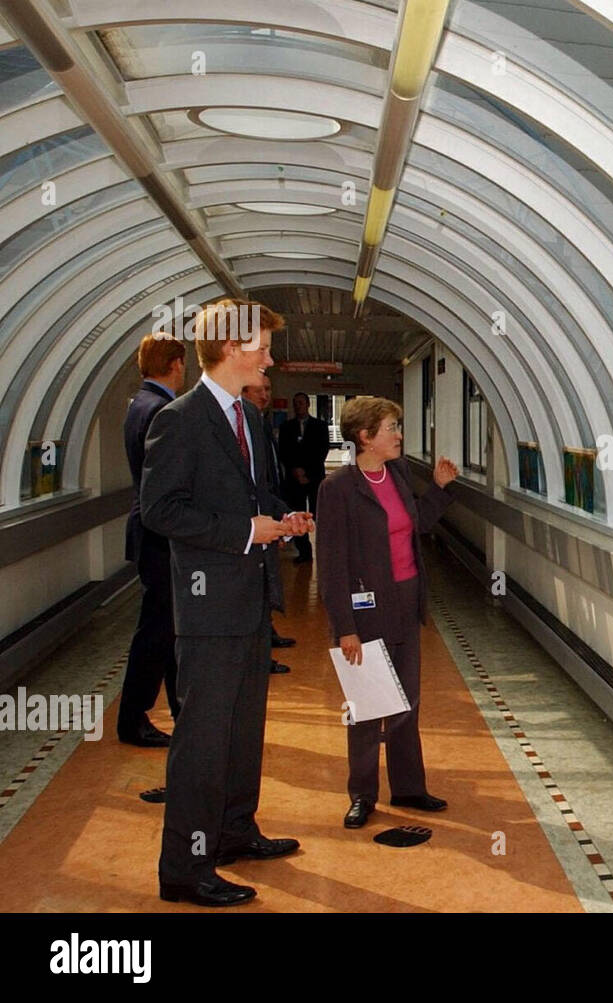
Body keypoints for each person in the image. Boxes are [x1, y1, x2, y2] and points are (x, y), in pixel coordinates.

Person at [141, 297, 312, 907]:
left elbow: (253, 493)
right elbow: (160, 510)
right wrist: (245, 531)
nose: (270, 357)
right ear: (234, 348)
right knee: (203, 743)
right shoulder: (181, 419)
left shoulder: (250, 418)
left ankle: (236, 832)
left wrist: (279, 518)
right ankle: (185, 869)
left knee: (242, 731)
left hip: (248, 603)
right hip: (208, 606)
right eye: (263, 346)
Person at [316, 397, 459, 829]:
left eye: (397, 426)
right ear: (365, 437)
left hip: (405, 600)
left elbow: (415, 526)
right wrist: (345, 628)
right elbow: (332, 564)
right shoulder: (338, 488)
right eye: (391, 428)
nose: (399, 435)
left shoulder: (396, 474)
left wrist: (438, 488)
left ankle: (409, 787)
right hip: (365, 609)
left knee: (406, 703)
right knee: (366, 705)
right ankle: (362, 795)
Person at [119, 333, 186, 747]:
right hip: (160, 537)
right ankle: (134, 718)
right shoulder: (162, 410)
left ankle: (182, 709)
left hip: (149, 533)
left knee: (168, 627)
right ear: (176, 364)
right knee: (158, 630)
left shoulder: (138, 405)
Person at [241, 376, 293, 673]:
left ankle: (266, 641)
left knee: (266, 584)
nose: (265, 395)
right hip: (250, 527)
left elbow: (267, 478)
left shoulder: (260, 424)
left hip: (270, 508)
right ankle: (261, 652)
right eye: (258, 390)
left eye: (268, 390)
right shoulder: (245, 428)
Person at [278, 391, 329, 564]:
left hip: (314, 477)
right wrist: (295, 470)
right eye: (295, 403)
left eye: (301, 402)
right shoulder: (286, 427)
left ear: (308, 404)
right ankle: (304, 553)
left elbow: (322, 450)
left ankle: (324, 552)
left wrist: (307, 473)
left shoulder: (320, 426)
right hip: (294, 479)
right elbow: (283, 451)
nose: (298, 406)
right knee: (297, 514)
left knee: (319, 513)